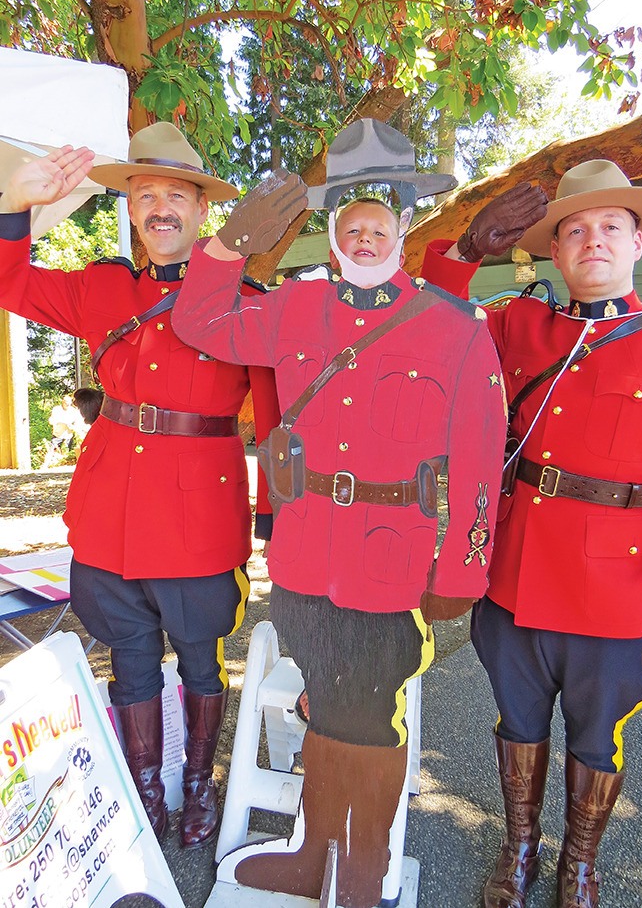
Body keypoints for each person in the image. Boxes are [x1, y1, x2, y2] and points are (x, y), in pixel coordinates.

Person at [171, 118, 507, 908]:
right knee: (324, 698)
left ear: (404, 222)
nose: (364, 235)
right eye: (350, 221)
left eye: (379, 220)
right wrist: (229, 244)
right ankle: (313, 850)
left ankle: (361, 869)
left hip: (392, 556)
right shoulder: (295, 304)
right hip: (304, 554)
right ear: (330, 229)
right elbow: (198, 322)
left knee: (370, 715)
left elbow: (481, 461)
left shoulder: (452, 327)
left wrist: (462, 568)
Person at [421, 159, 642, 908]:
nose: (593, 240)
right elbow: (426, 327)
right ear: (554, 250)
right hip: (514, 572)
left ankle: (580, 862)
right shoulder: (518, 325)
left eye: (611, 226)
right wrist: (465, 251)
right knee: (517, 719)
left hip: (616, 586)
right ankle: (520, 846)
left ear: (638, 243)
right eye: (575, 229)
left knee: (596, 733)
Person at [0, 122, 280, 848]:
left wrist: (274, 517)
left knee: (200, 657)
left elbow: (277, 421)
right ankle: (146, 791)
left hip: (199, 517)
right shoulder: (102, 287)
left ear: (202, 210)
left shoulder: (246, 298)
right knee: (129, 657)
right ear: (130, 208)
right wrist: (16, 205)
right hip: (110, 513)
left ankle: (199, 783)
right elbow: (11, 281)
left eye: (176, 196)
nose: (160, 208)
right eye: (146, 194)